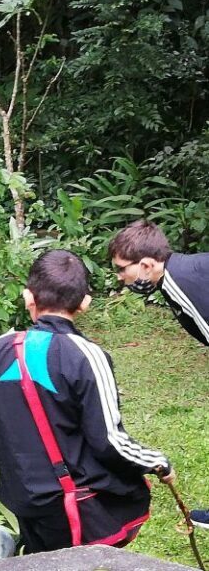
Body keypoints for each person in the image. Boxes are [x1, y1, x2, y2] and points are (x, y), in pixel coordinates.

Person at [0, 250, 175, 554]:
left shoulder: (1, 349)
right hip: (69, 503)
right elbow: (109, 441)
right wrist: (156, 461)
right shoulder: (87, 355)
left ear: (29, 297)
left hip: (22, 500)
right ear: (85, 303)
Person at [109, 220, 209, 528]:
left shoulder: (182, 282)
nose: (120, 277)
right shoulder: (174, 274)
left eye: (122, 269)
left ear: (148, 264)